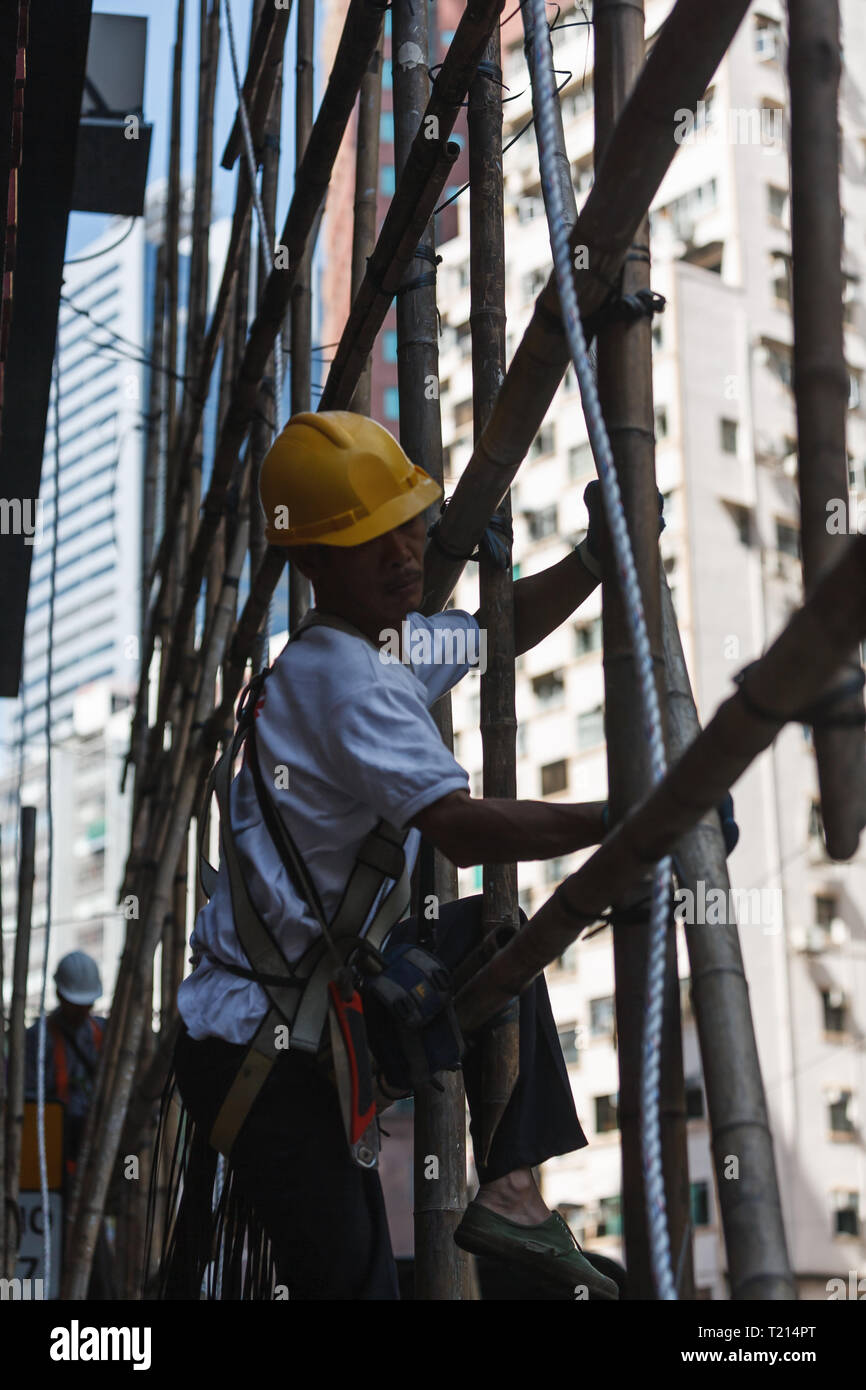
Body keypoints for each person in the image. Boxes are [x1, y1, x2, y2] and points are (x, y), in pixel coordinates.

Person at [164, 412, 641, 1301]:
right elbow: (461, 827)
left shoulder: (374, 646)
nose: (404, 555)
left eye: (410, 528)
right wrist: (621, 820)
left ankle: (506, 1189)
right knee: (356, 1288)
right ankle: (501, 1198)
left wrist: (592, 559)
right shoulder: (342, 685)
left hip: (312, 1007)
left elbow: (503, 628)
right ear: (311, 565)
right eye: (370, 541)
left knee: (493, 931)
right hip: (257, 1044)